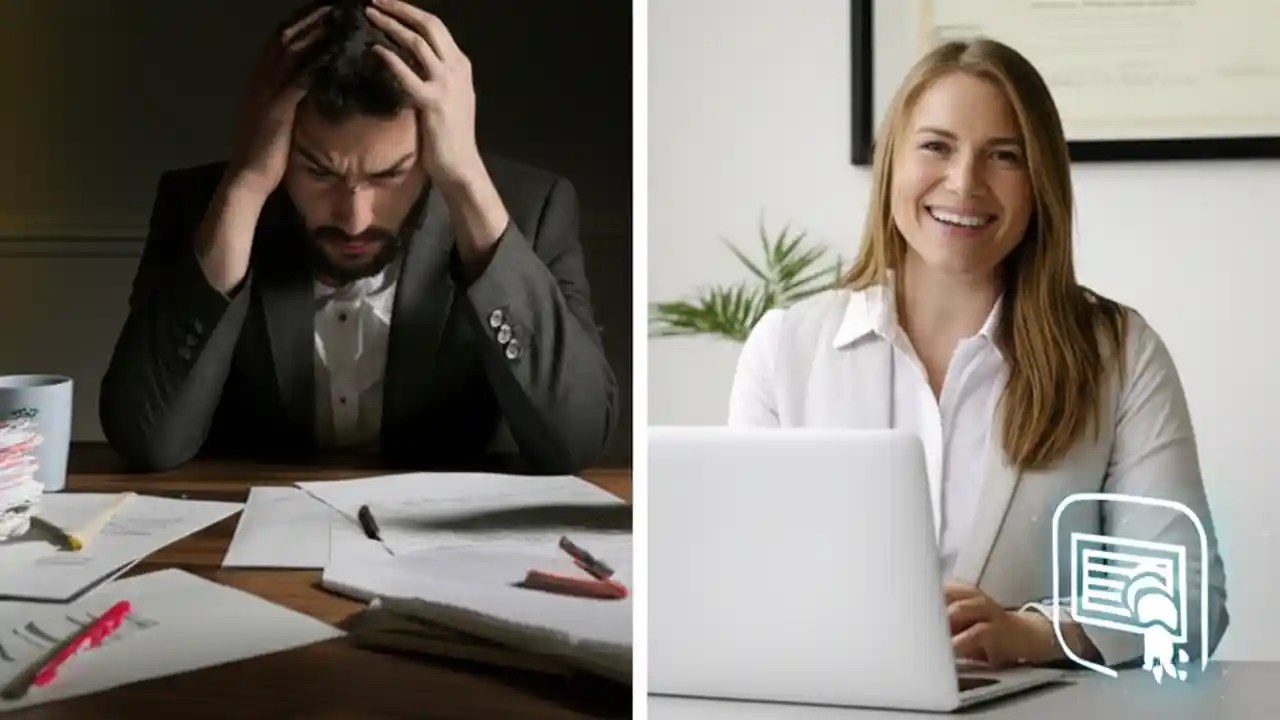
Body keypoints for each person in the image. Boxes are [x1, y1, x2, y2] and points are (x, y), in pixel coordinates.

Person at [727, 38, 1227, 670]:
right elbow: (741, 584)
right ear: (891, 163)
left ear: (1039, 181)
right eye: (936, 146)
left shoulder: (1120, 353)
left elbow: (1189, 602)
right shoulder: (785, 349)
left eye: (1005, 156)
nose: (965, 183)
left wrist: (1035, 634)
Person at [99, 0, 617, 474]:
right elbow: (148, 440)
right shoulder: (200, 207)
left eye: (391, 174)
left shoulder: (531, 209)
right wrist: (246, 183)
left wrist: (464, 178)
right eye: (319, 171)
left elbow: (575, 440)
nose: (353, 217)